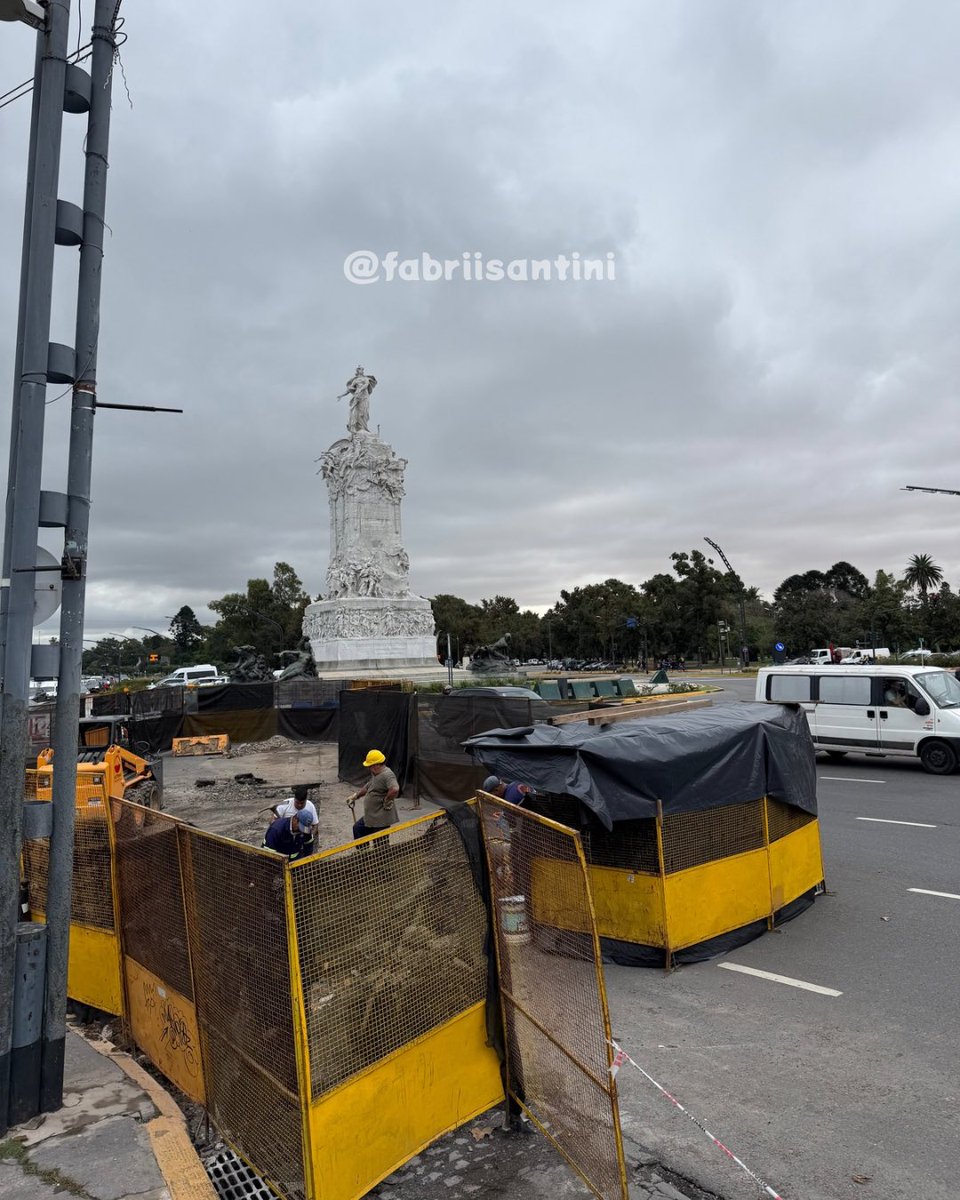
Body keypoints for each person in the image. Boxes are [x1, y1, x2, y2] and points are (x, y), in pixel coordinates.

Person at [347, 749, 399, 841]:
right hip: (372, 816)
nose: (368, 768)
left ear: (376, 765)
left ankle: (379, 854)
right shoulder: (376, 774)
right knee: (358, 829)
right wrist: (356, 796)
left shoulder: (387, 774)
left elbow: (394, 789)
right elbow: (368, 786)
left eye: (369, 766)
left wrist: (387, 800)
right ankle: (364, 853)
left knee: (380, 843)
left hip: (380, 819)